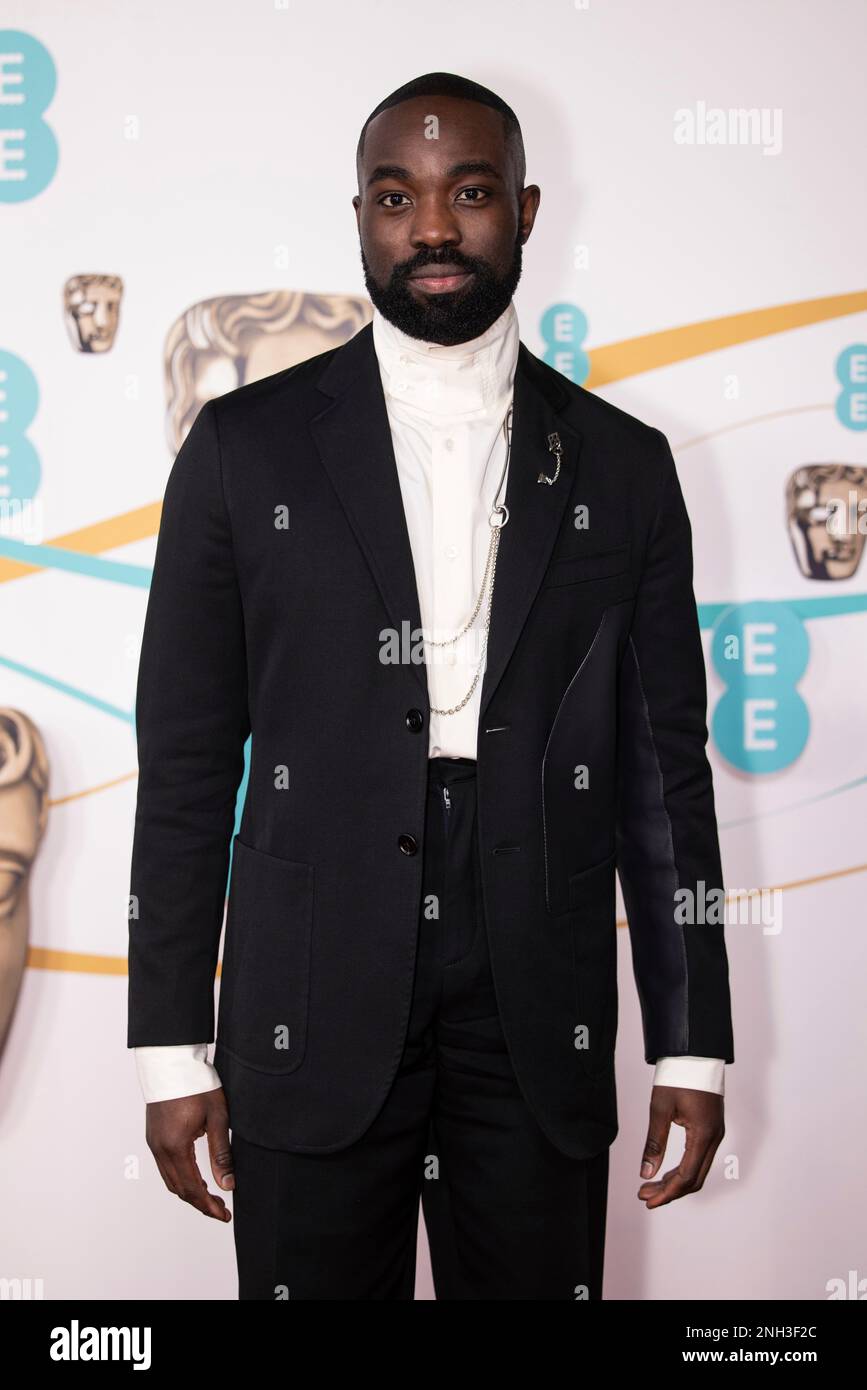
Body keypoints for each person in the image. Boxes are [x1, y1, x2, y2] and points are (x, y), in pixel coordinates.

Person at [128, 71, 734, 1301]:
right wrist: (167, 1045)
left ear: (527, 207)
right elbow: (187, 764)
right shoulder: (244, 452)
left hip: (536, 984)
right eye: (398, 198)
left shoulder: (623, 466)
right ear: (359, 215)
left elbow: (665, 779)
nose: (436, 230)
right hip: (312, 971)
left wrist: (695, 1043)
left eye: (470, 193)